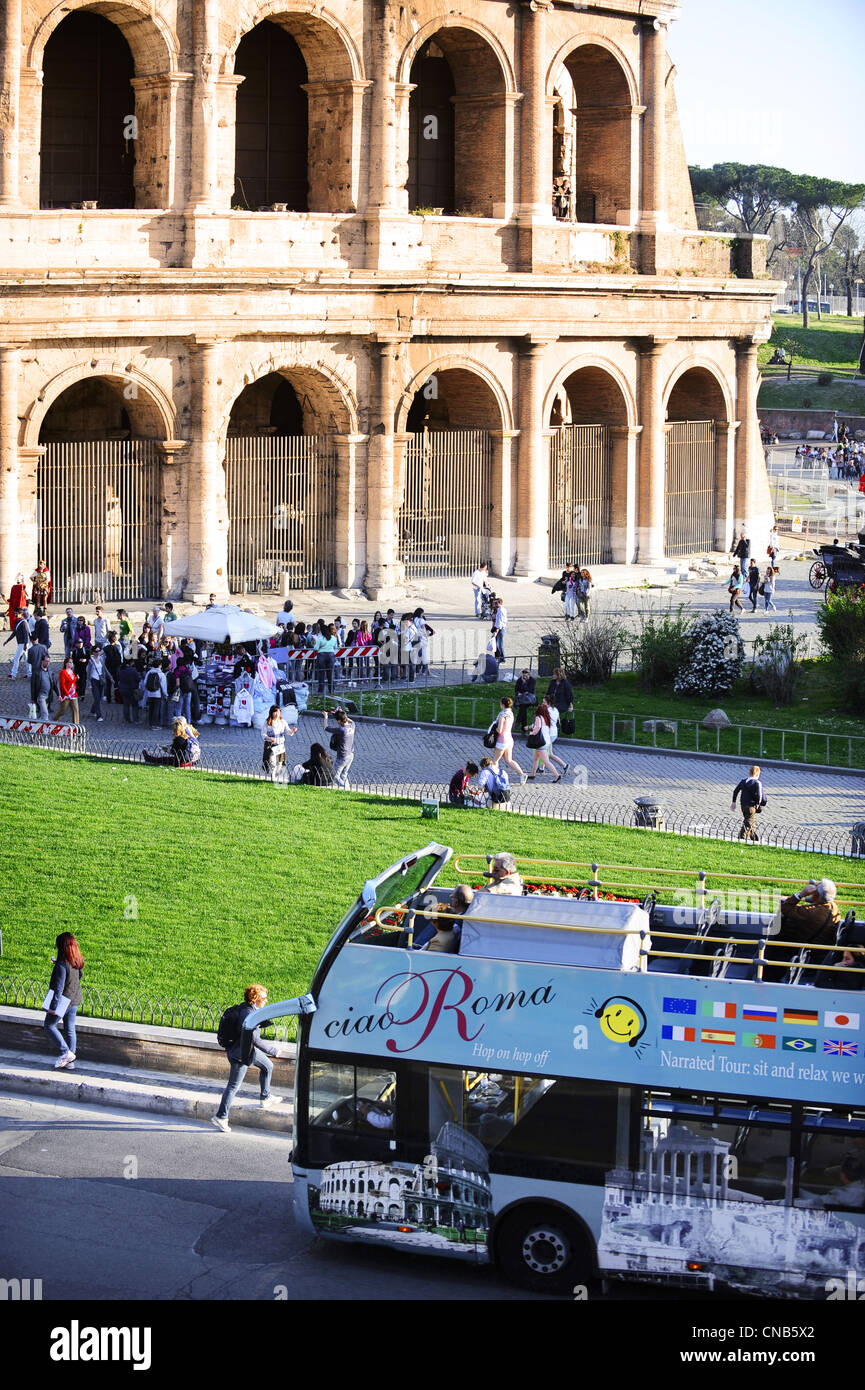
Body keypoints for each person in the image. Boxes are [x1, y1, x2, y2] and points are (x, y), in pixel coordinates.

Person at [211, 983, 283, 1131]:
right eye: (263, 998)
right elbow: (255, 1039)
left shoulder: (247, 1009)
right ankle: (221, 1117)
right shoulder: (248, 1014)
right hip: (240, 1055)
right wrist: (273, 1050)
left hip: (246, 1051)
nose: (266, 1000)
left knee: (268, 1066)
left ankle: (265, 1097)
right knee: (233, 1087)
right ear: (254, 999)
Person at [764, 878, 841, 983]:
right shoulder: (833, 906)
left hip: (804, 952)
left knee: (774, 948)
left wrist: (801, 894)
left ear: (817, 895)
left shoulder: (811, 914)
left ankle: (768, 978)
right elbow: (810, 909)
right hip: (818, 950)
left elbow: (785, 908)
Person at [43, 931, 84, 1069]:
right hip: (75, 998)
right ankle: (69, 1061)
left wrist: (53, 1007)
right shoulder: (77, 960)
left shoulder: (62, 965)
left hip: (64, 1001)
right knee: (70, 1028)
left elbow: (58, 988)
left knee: (49, 1025)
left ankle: (64, 1052)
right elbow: (79, 975)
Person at [526, 699, 567, 781]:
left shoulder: (538, 718)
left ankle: (556, 775)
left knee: (546, 761)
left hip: (540, 743)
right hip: (546, 741)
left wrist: (531, 733)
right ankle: (532, 774)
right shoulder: (546, 718)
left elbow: (537, 728)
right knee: (536, 758)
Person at [490, 696, 526, 781]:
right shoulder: (511, 714)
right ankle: (522, 774)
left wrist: (493, 729)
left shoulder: (502, 715)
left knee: (495, 760)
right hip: (509, 740)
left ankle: (495, 778)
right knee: (509, 760)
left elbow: (499, 729)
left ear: (502, 705)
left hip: (501, 741)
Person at [731, 764, 766, 841]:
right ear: (758, 774)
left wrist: (733, 802)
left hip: (743, 805)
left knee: (751, 822)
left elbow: (735, 791)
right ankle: (741, 838)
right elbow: (759, 795)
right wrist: (758, 803)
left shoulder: (743, 781)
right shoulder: (757, 783)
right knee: (748, 822)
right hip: (751, 806)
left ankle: (754, 839)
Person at [322, 706, 355, 788]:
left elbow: (326, 728)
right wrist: (341, 713)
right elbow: (350, 720)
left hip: (342, 757)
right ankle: (347, 787)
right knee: (344, 774)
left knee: (335, 775)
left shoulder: (341, 730)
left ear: (339, 721)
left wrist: (326, 717)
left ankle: (344, 787)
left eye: (337, 720)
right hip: (350, 755)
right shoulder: (352, 726)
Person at [262, 704, 289, 779]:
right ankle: (272, 778)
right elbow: (263, 734)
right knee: (272, 762)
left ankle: (276, 777)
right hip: (271, 746)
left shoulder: (282, 722)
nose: (277, 714)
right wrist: (269, 738)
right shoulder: (267, 722)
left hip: (280, 746)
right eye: (275, 712)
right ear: (271, 713)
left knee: (279, 763)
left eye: (278, 712)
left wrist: (292, 731)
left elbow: (288, 731)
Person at [31, 655, 59, 719]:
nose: (48, 663)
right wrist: (32, 699)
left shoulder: (50, 671)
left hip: (48, 696)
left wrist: (58, 694)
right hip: (41, 696)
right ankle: (46, 727)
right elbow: (33, 686)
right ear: (42, 661)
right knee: (45, 714)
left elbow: (54, 684)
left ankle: (37, 725)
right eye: (46, 661)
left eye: (49, 661)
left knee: (42, 714)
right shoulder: (36, 672)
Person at [4, 607, 30, 678]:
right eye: (15, 613)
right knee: (26, 659)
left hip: (23, 643)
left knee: (16, 658)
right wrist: (7, 640)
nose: (15, 614)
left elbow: (26, 634)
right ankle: (30, 674)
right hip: (21, 643)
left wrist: (25, 644)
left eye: (17, 613)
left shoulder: (23, 622)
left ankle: (13, 674)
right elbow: (14, 633)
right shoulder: (17, 621)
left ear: (21, 614)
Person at [55, 657, 80, 724]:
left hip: (73, 693)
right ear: (66, 663)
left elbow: (72, 681)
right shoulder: (63, 672)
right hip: (66, 694)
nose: (71, 664)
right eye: (70, 662)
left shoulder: (71, 671)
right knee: (63, 710)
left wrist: (76, 678)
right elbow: (62, 685)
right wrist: (67, 694)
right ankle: (54, 720)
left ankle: (76, 725)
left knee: (75, 710)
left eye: (72, 662)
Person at [117, 658, 142, 723]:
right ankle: (135, 719)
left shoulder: (120, 669)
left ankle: (127, 719)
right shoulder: (133, 670)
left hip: (123, 689)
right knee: (134, 705)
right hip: (132, 689)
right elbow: (138, 679)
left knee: (126, 705)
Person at [86, 643, 106, 721]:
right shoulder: (91, 661)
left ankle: (93, 710)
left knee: (99, 697)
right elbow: (88, 674)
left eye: (99, 651)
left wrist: (110, 678)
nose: (98, 653)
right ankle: (99, 715)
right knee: (97, 698)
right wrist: (89, 684)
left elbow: (104, 669)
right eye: (96, 651)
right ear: (93, 652)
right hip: (94, 680)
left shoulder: (101, 659)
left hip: (100, 680)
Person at [514, 669, 536, 733]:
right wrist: (518, 693)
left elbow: (530, 691)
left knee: (522, 707)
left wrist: (524, 683)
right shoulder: (519, 680)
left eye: (526, 675)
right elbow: (516, 690)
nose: (524, 677)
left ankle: (518, 721)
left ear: (529, 675)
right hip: (522, 699)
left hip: (529, 699)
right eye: (523, 675)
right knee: (523, 707)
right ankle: (524, 728)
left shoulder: (532, 680)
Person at [491, 598, 507, 663]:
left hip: (500, 629)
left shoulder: (500, 610)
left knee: (499, 644)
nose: (494, 604)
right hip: (499, 628)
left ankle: (502, 658)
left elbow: (499, 622)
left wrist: (496, 631)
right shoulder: (500, 609)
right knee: (497, 644)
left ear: (500, 603)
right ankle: (499, 658)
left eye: (496, 603)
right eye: (494, 603)